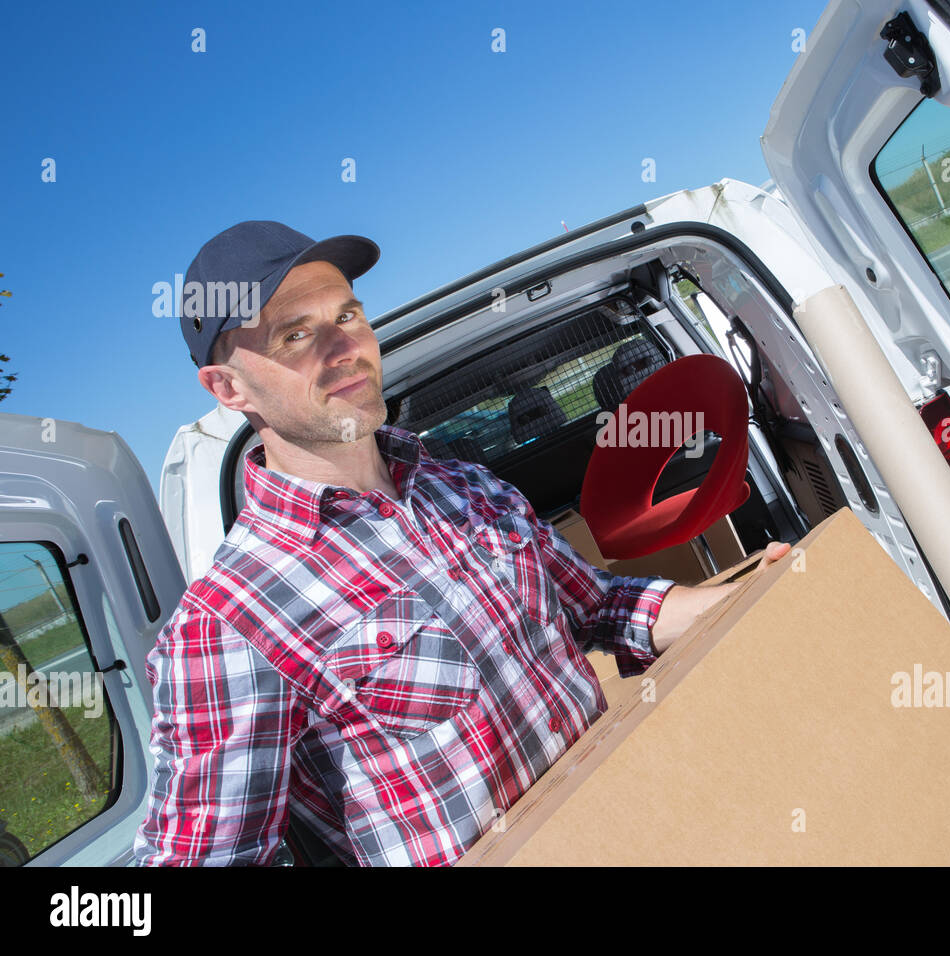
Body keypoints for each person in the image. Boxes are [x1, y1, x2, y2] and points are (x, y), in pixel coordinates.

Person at [132, 221, 789, 865]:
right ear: (228, 387)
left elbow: (601, 607)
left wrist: (742, 602)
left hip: (656, 822)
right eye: (296, 333)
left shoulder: (469, 489)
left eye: (349, 316)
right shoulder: (226, 623)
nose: (343, 347)